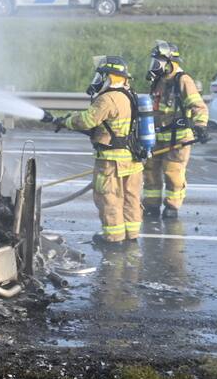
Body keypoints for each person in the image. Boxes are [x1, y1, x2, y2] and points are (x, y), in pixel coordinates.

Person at [43, 56, 143, 248]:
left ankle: (113, 239)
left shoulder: (108, 98)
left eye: (102, 75)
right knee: (131, 198)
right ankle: (131, 235)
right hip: (133, 158)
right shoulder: (130, 95)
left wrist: (65, 121)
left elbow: (87, 121)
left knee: (109, 198)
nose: (99, 79)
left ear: (111, 77)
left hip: (111, 160)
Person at [143, 41, 208, 220]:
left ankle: (172, 207)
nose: (155, 66)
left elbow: (198, 106)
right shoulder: (158, 81)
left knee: (173, 173)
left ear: (170, 61)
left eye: (158, 62)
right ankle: (151, 205)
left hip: (177, 138)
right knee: (150, 170)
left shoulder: (183, 80)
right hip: (156, 136)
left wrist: (200, 125)